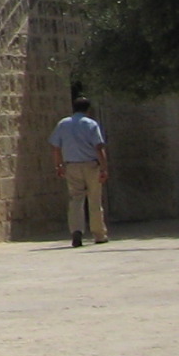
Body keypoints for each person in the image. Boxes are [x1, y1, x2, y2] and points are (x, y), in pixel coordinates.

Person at [50, 96, 108, 246]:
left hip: (72, 166)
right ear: (88, 109)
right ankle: (99, 233)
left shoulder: (63, 124)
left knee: (76, 199)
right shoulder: (91, 124)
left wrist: (59, 165)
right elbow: (99, 147)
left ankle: (76, 231)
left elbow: (56, 147)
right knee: (94, 199)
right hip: (91, 165)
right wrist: (104, 168)